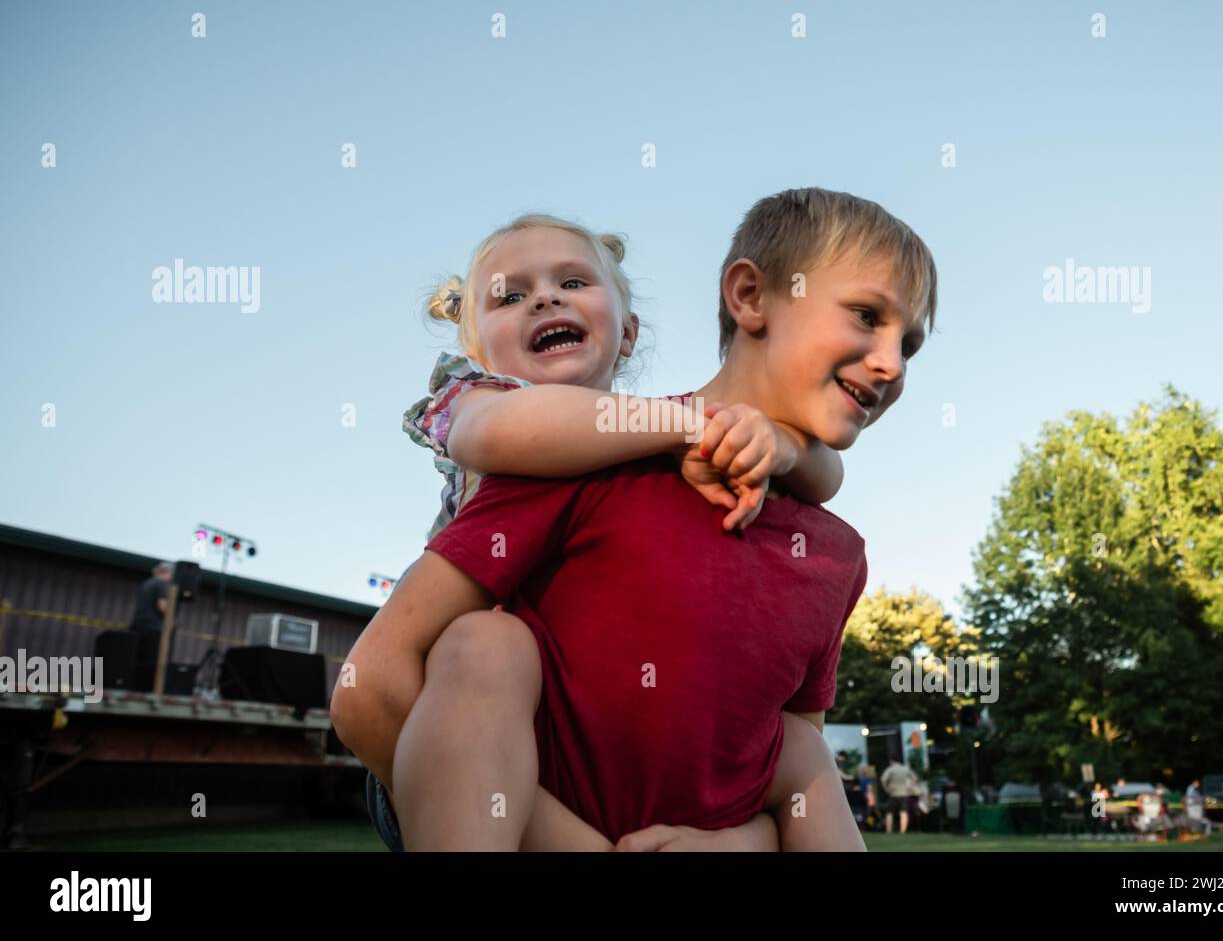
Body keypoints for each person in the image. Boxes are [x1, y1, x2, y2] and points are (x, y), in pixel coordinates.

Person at [333, 188, 936, 851]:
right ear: (751, 297)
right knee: (485, 646)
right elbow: (373, 688)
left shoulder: (834, 553)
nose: (891, 362)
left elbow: (782, 759)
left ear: (627, 331)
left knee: (802, 750)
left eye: (908, 343)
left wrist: (736, 845)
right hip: (471, 770)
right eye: (864, 316)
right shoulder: (569, 453)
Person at [128, 562, 172, 687]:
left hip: (137, 625)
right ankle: (145, 688)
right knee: (151, 661)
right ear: (168, 573)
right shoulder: (161, 584)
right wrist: (171, 616)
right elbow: (162, 606)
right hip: (153, 628)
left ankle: (134, 686)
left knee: (137, 659)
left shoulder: (146, 584)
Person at [880, 756, 919, 833]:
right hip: (904, 793)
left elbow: (883, 779)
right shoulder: (905, 769)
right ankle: (902, 831)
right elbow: (914, 777)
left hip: (893, 793)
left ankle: (889, 831)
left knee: (889, 812)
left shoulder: (890, 769)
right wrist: (910, 787)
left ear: (892, 761)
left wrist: (886, 789)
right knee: (903, 812)